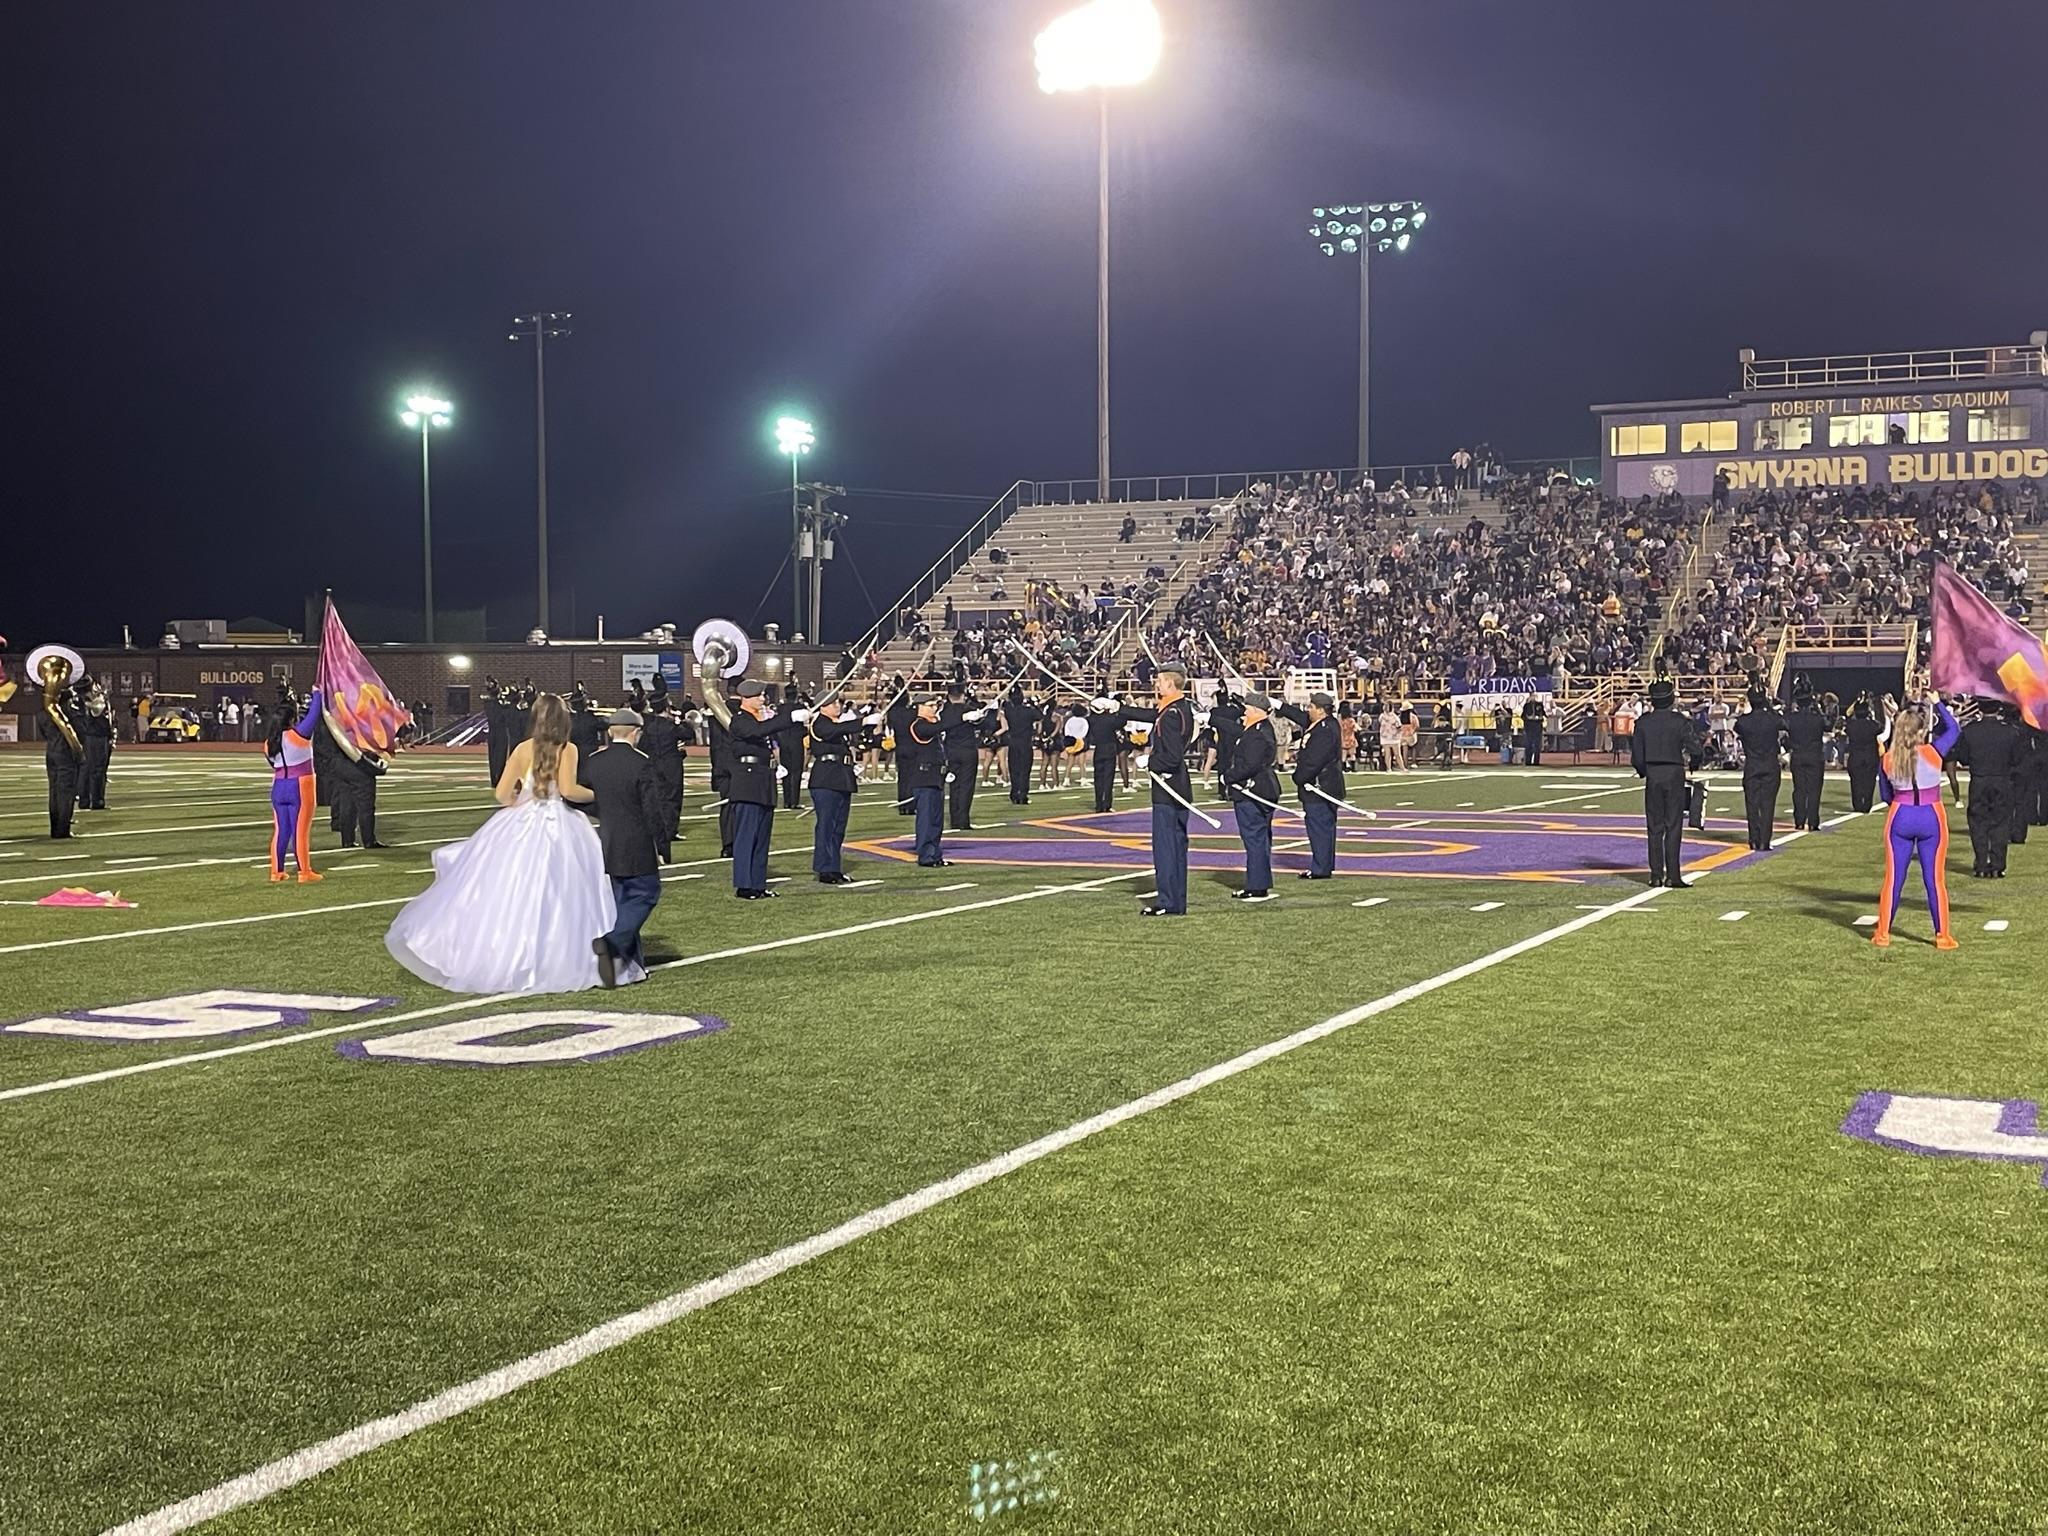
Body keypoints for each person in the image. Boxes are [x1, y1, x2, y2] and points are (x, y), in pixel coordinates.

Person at [385, 692, 614, 992]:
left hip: (523, 821)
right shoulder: (566, 749)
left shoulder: (521, 749)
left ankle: (505, 952)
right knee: (563, 892)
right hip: (561, 823)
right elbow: (570, 790)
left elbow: (502, 794)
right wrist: (599, 795)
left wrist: (521, 801)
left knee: (507, 890)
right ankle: (558, 953)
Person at [579, 708, 663, 988]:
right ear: (635, 732)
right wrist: (662, 844)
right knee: (645, 894)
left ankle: (632, 965)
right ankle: (611, 944)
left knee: (622, 901)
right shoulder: (642, 763)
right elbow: (652, 809)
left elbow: (577, 797)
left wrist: (604, 811)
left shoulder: (594, 761)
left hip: (607, 838)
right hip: (636, 839)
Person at [1102, 668, 1197, 916]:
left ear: (1171, 684)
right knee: (1175, 846)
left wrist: (1150, 761)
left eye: (1160, 681)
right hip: (1177, 785)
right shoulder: (1176, 707)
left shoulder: (1172, 713)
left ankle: (1168, 902)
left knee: (1166, 847)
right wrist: (1115, 707)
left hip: (1169, 787)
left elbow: (1173, 756)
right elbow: (1150, 714)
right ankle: (1175, 902)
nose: (1157, 685)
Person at [1873, 695, 1962, 949]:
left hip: (1900, 815)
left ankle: (1883, 934)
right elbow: (1954, 729)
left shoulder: (1888, 759)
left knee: (1893, 878)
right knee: (1935, 880)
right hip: (1931, 816)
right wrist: (1938, 703)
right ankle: (1942, 935)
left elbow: (1886, 796)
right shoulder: (1933, 753)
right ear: (1921, 731)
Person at [711, 680, 797, 899]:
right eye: (759, 696)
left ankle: (758, 883)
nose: (763, 699)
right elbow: (758, 731)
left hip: (763, 780)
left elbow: (769, 732)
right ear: (746, 698)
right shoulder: (740, 720)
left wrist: (798, 722)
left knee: (761, 838)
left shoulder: (759, 719)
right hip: (748, 782)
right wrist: (788, 718)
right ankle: (744, 885)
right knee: (746, 836)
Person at [1630, 678, 1701, 888]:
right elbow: (1695, 748)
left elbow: (1637, 759)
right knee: (1673, 825)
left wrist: (1646, 771)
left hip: (1653, 774)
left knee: (1654, 827)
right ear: (1671, 699)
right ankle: (1673, 874)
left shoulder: (1643, 722)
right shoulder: (1680, 721)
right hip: (1674, 773)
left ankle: (1655, 875)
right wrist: (1695, 763)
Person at [1221, 691, 1280, 901]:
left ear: (1256, 711)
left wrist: (1227, 777)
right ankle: (1260, 882)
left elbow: (1250, 764)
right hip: (1263, 788)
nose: (1244, 712)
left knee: (1254, 838)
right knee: (1260, 839)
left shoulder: (1256, 732)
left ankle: (1256, 885)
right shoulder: (1260, 728)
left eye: (1247, 709)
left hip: (1253, 791)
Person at [1278, 692, 1344, 880]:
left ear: (1321, 710)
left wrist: (1299, 778)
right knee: (1324, 828)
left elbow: (1314, 760)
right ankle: (1324, 864)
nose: (1308, 710)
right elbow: (1299, 716)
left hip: (1319, 787)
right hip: (1323, 786)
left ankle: (1320, 868)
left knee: (1319, 828)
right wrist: (1278, 705)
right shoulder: (1323, 724)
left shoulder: (1324, 729)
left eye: (1311, 707)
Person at [1952, 699, 2020, 879]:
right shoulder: (2010, 732)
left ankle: (1981, 863)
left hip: (1979, 780)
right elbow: (2016, 759)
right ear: (1998, 708)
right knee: (2000, 822)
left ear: (1980, 709)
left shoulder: (1970, 731)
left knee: (1978, 822)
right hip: (2001, 780)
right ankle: (1998, 865)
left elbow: (1963, 758)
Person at [264, 687, 325, 880]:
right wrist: (318, 693)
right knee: (300, 831)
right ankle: (304, 871)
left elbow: (273, 763)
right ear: (291, 719)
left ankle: (276, 871)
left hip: (278, 786)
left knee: (281, 830)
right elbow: (314, 714)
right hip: (300, 785)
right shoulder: (298, 736)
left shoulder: (269, 743)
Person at [807, 697, 862, 884]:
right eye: (832, 704)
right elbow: (834, 731)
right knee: (826, 826)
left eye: (837, 703)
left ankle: (834, 867)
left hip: (841, 777)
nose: (837, 706)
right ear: (822, 707)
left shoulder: (834, 724)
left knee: (838, 828)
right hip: (826, 778)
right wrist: (861, 722)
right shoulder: (819, 724)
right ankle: (824, 868)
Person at [1733, 689, 1786, 852]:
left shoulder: (1743, 721)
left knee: (1752, 804)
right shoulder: (1772, 719)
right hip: (1770, 764)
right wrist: (1768, 706)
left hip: (1752, 765)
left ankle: (1754, 839)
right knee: (1768, 805)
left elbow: (1738, 728)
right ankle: (1764, 840)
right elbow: (1784, 723)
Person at [902, 695, 951, 867]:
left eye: (935, 705)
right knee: (926, 820)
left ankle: (935, 854)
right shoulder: (919, 725)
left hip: (935, 778)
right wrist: (961, 718)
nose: (934, 708)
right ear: (919, 707)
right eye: (930, 705)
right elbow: (940, 726)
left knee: (936, 821)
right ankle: (926, 855)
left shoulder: (930, 725)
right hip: (924, 778)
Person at [640, 695, 684, 863]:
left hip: (653, 764)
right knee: (673, 798)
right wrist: (678, 720)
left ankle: (663, 829)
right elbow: (688, 733)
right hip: (671, 764)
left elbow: (643, 745)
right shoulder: (671, 725)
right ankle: (671, 830)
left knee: (658, 798)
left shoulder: (649, 727)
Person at [940, 683, 983, 831]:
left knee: (954, 786)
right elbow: (983, 724)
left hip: (950, 751)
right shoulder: (968, 709)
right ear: (963, 695)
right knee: (966, 786)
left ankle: (954, 819)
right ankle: (963, 820)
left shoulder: (944, 712)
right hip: (967, 752)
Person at [1784, 689, 1828, 830]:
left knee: (1799, 789)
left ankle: (1799, 820)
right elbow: (1828, 725)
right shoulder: (1817, 718)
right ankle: (1813, 822)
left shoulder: (1792, 718)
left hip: (1798, 755)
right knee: (1814, 790)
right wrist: (1818, 709)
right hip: (1815, 756)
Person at [331, 743, 388, 848]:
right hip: (359, 765)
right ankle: (369, 840)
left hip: (341, 763)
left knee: (347, 805)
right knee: (366, 806)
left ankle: (347, 840)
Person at [1842, 696, 1885, 814]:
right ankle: (1867, 804)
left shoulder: (1851, 725)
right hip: (1870, 757)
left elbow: (1847, 719)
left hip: (1855, 757)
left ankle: (1857, 804)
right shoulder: (1873, 725)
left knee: (1856, 782)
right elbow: (1881, 725)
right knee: (1869, 782)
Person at [77, 687, 114, 811]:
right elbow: (99, 715)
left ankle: (84, 800)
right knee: (97, 770)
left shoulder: (79, 701)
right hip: (96, 737)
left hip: (89, 737)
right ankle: (97, 800)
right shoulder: (93, 701)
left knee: (86, 769)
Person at [1002, 688, 1037, 805]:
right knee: (1024, 770)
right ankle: (1023, 794)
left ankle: (1014, 793)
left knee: (1014, 770)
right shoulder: (1029, 711)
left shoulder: (1009, 711)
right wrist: (1033, 703)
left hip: (1013, 743)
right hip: (1025, 744)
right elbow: (1040, 715)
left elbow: (1005, 704)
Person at [1520, 693, 1547, 768]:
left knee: (1537, 745)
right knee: (1528, 744)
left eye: (1535, 696)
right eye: (1532, 696)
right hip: (1529, 727)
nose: (1534, 698)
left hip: (1537, 727)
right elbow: (1523, 716)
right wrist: (1528, 718)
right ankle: (1528, 761)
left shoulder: (1540, 705)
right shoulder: (1526, 706)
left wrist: (1538, 718)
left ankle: (1536, 762)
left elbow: (1544, 715)